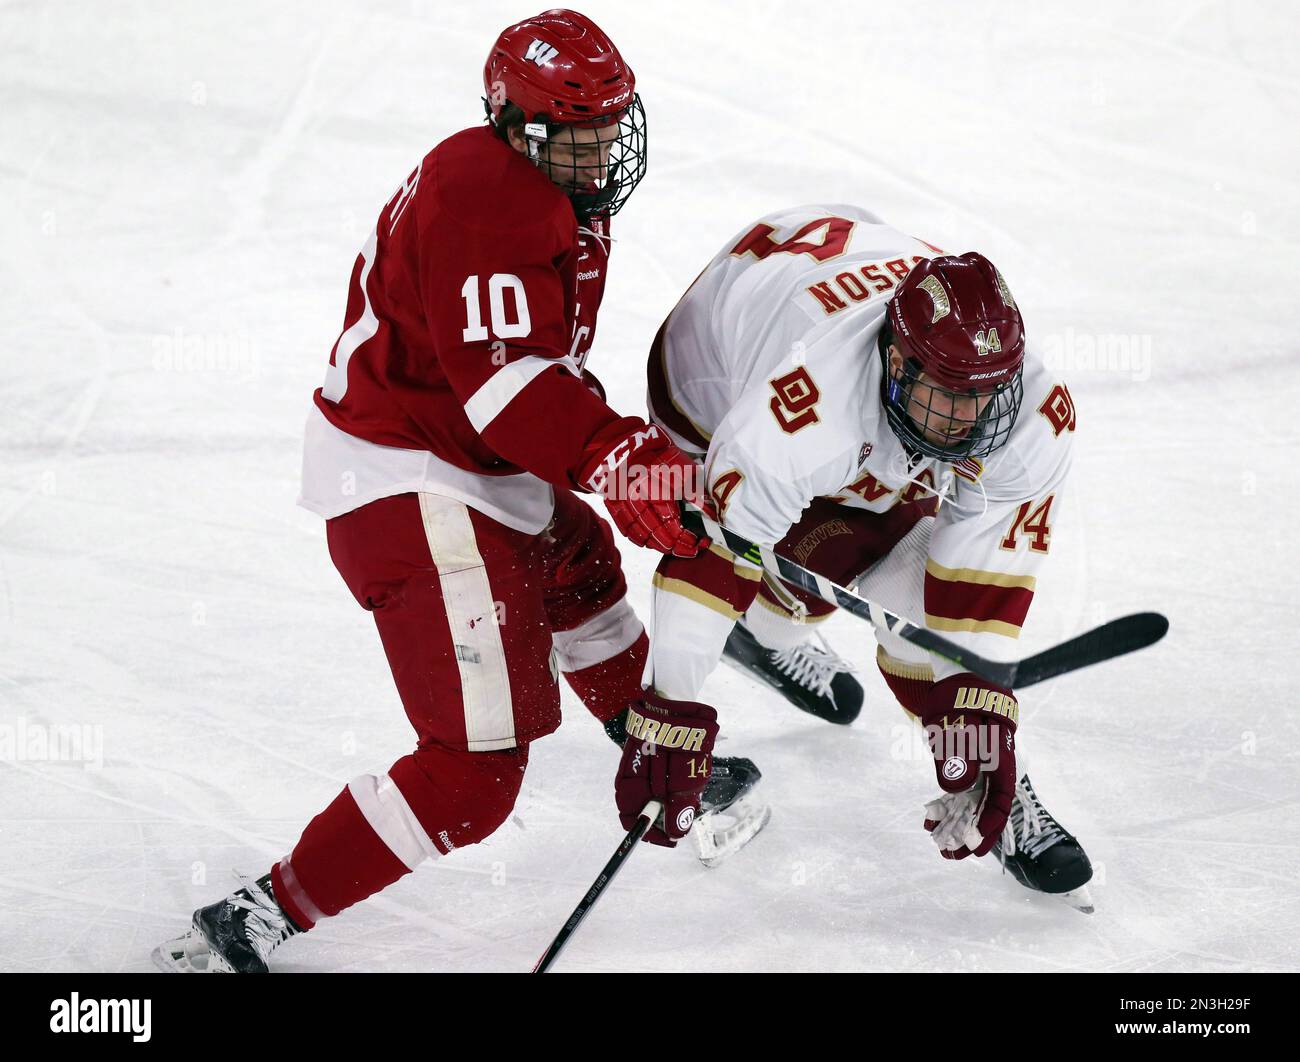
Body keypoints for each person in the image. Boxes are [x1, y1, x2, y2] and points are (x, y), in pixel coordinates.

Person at [154, 9, 739, 974]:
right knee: (473, 776)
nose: (601, 151)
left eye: (610, 127)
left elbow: (525, 366)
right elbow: (507, 389)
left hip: (452, 456)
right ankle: (257, 916)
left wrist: (609, 451)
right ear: (514, 123)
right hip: (410, 479)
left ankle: (653, 739)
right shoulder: (490, 192)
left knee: (579, 568)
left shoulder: (539, 185)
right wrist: (616, 457)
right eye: (578, 133)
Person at [636, 203, 1094, 908]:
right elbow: (710, 564)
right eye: (951, 396)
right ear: (897, 361)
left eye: (987, 395)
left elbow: (974, 588)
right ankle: (768, 626)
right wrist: (668, 719)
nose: (973, 421)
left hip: (830, 282)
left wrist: (977, 715)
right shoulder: (798, 415)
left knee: (911, 588)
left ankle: (997, 784)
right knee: (818, 548)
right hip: (710, 389)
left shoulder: (1031, 409)